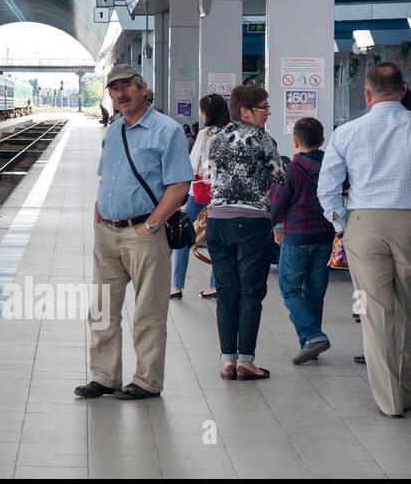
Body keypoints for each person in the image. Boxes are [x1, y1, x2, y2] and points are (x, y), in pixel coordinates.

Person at [75, 64, 192, 400]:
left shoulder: (167, 130)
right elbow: (105, 177)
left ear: (142, 89)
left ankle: (146, 381)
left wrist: (152, 224)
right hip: (107, 233)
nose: (120, 94)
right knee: (101, 309)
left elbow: (180, 184)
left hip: (145, 233)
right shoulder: (114, 131)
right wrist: (98, 219)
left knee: (148, 312)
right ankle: (104, 376)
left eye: (126, 86)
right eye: (114, 89)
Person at [318, 62, 411, 418]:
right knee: (407, 311)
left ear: (367, 95)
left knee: (376, 313)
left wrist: (342, 226)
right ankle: (407, 387)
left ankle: (389, 402)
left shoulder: (347, 133)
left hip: (364, 225)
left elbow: (327, 189)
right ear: (403, 91)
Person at [205, 84, 286, 381]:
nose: (267, 113)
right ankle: (246, 361)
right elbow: (279, 175)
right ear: (244, 110)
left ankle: (227, 361)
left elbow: (210, 174)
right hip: (252, 222)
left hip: (218, 221)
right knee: (251, 293)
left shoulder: (217, 139)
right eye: (262, 108)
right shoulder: (263, 139)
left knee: (227, 292)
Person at [269, 117, 336, 364]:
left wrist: (272, 226)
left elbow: (275, 206)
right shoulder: (332, 167)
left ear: (295, 141)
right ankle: (310, 342)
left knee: (290, 288)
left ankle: (313, 336)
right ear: (322, 140)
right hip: (325, 237)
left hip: (296, 237)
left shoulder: (289, 171)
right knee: (315, 291)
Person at [172, 94, 229, 299]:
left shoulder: (205, 135)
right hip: (224, 195)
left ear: (208, 113)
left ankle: (176, 286)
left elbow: (192, 164)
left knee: (184, 236)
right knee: (217, 240)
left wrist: (182, 193)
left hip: (202, 193)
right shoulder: (232, 133)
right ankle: (214, 285)